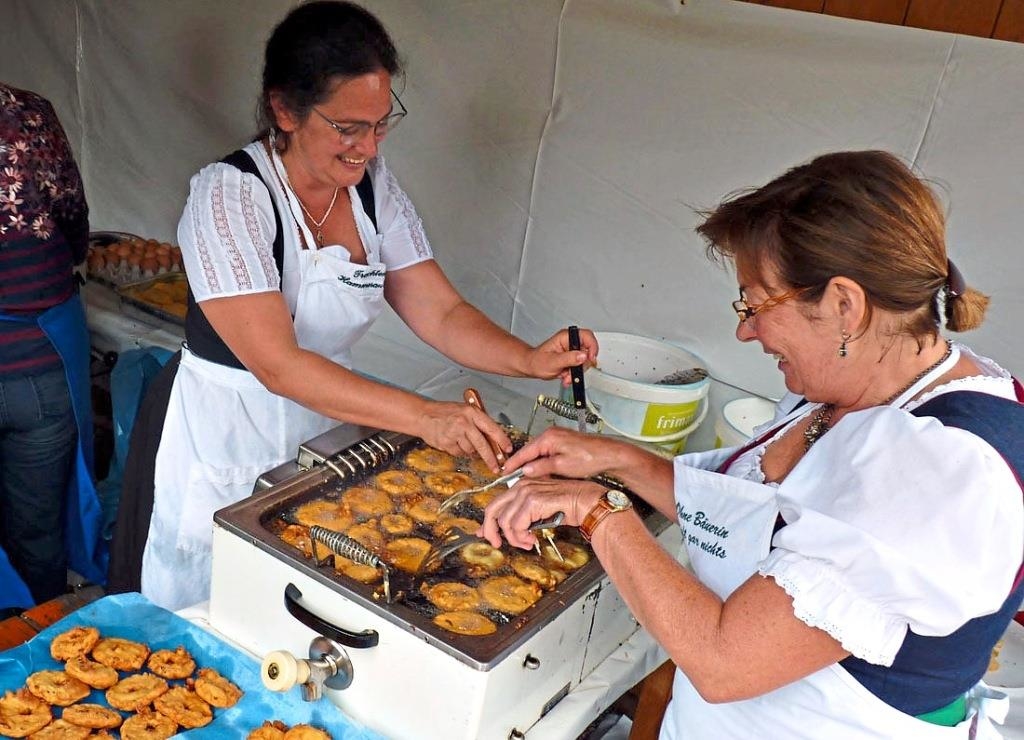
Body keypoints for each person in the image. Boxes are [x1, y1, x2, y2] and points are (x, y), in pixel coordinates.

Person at [483, 150, 1024, 738]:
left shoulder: (939, 471)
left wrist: (598, 509)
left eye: (756, 303)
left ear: (845, 305)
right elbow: (755, 521)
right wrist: (618, 460)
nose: (745, 330)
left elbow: (725, 662)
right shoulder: (859, 383)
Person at [113, 1, 596, 612]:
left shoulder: (369, 188)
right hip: (226, 433)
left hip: (326, 428)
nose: (366, 147)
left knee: (305, 598)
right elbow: (278, 366)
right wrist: (425, 417)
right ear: (284, 110)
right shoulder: (230, 197)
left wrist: (527, 359)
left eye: (380, 125)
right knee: (211, 606)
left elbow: (440, 311)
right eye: (347, 127)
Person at [0, 83, 105, 615]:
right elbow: (71, 218)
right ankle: (39, 641)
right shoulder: (26, 113)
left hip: (34, 358)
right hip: (40, 364)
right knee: (38, 530)